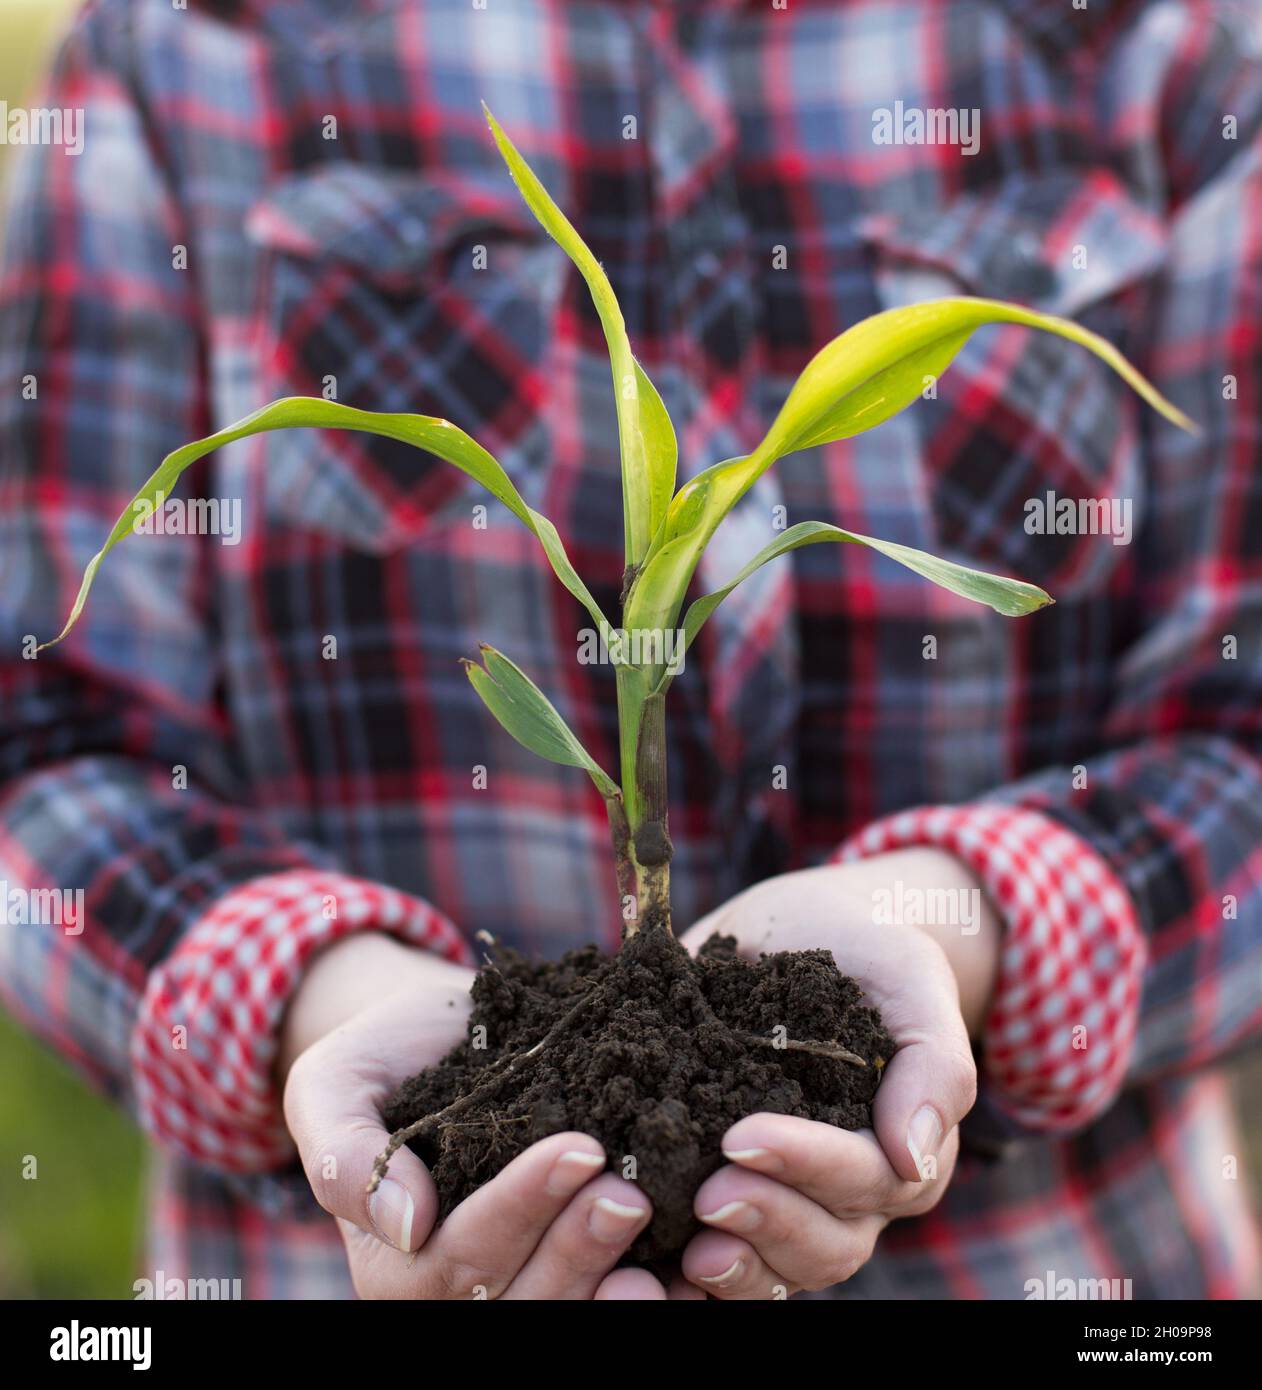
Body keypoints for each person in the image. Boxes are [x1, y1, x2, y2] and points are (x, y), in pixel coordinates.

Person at [1, 0, 1260, 1300]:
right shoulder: (187, 49)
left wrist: (948, 929)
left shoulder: (1151, 48)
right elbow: (44, 733)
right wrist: (334, 1008)